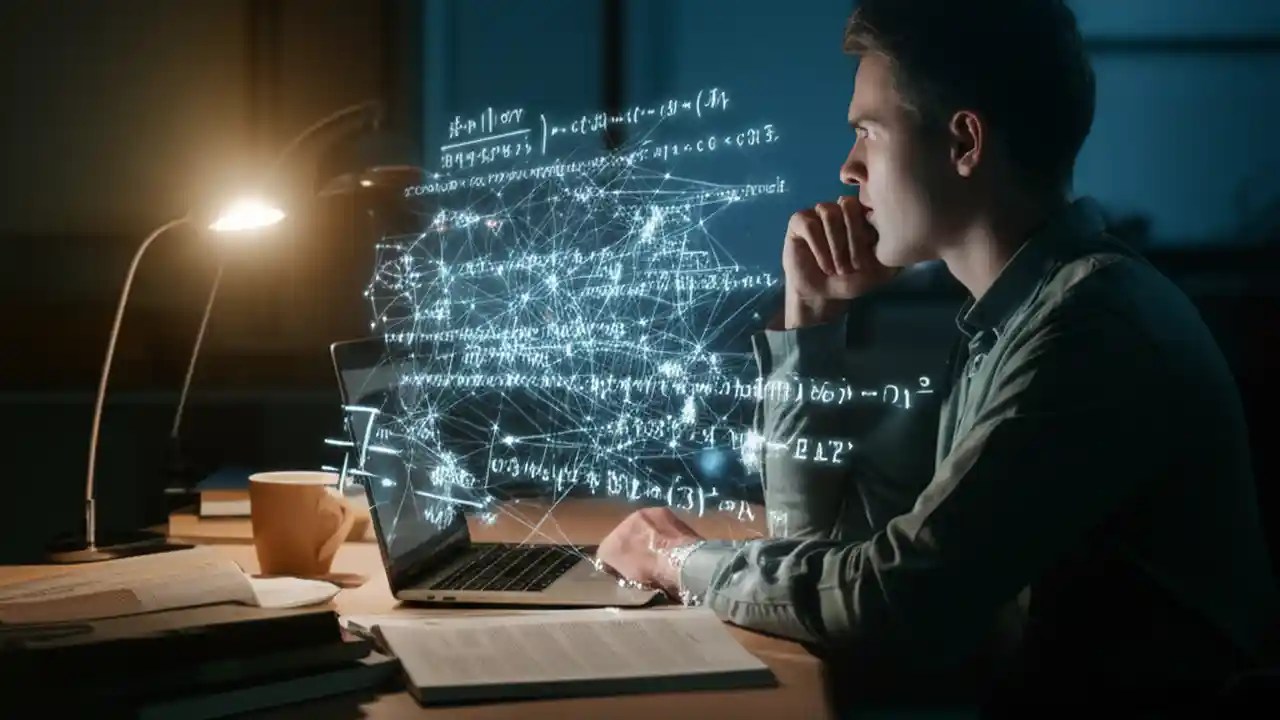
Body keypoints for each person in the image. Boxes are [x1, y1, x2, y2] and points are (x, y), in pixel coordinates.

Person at [596, 0, 1279, 710]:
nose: (848, 168)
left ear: (962, 142)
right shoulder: (1008, 321)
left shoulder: (1090, 332)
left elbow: (894, 598)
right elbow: (820, 552)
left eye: (868, 131)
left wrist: (677, 560)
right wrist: (811, 320)